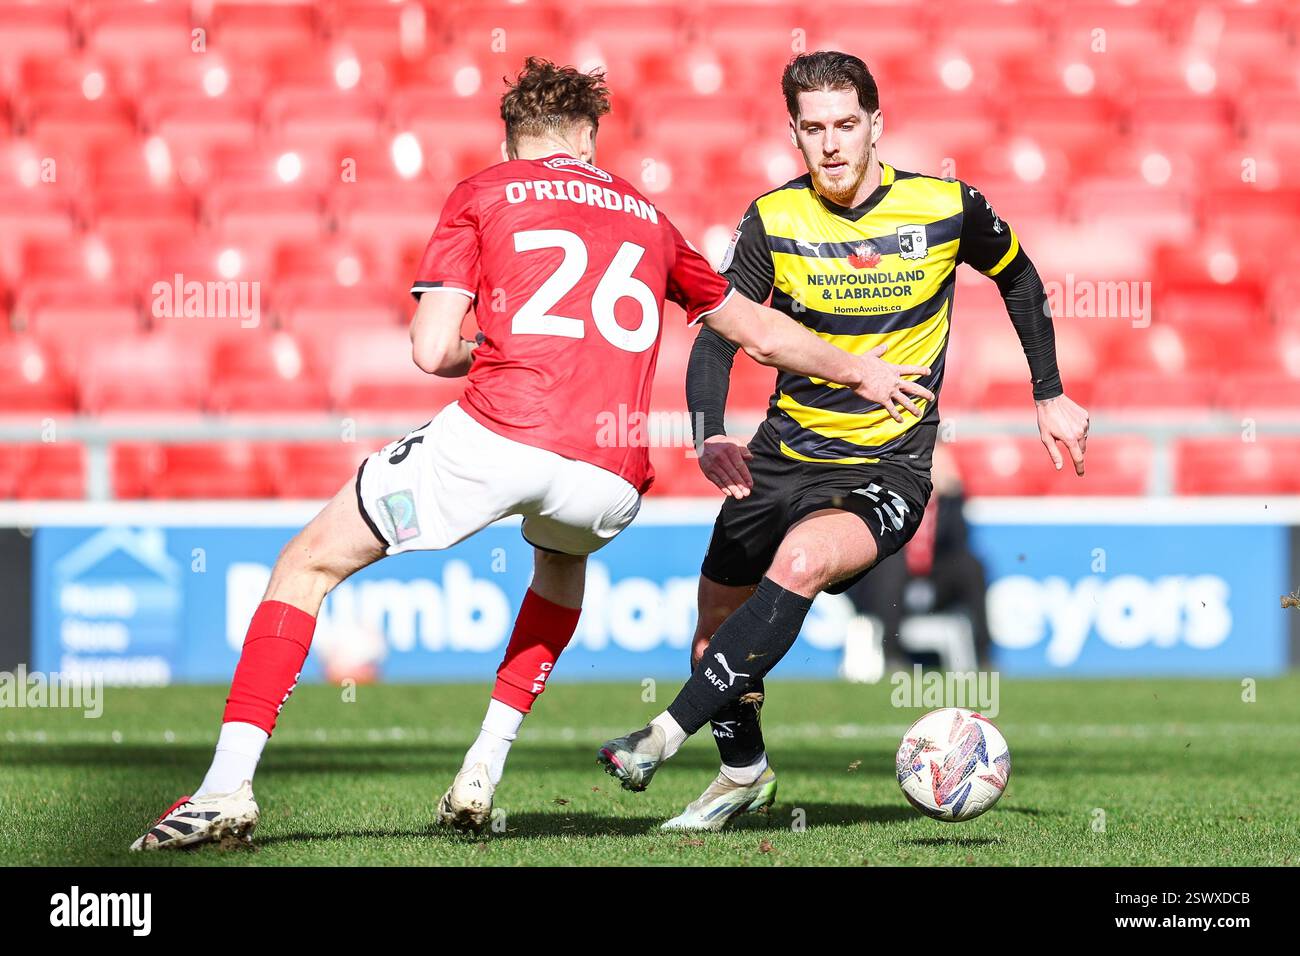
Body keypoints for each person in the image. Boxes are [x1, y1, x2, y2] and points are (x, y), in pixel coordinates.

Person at [130, 57, 933, 849]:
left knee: (304, 564)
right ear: (587, 141)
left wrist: (488, 351)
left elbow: (430, 349)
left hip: (500, 436)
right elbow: (757, 330)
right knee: (558, 562)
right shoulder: (647, 215)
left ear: (512, 143)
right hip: (609, 479)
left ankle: (223, 789)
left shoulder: (485, 190)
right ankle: (482, 769)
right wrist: (860, 369)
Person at [597, 51, 1090, 828]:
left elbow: (1019, 276)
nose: (831, 144)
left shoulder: (944, 206)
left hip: (888, 466)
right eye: (814, 128)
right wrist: (709, 431)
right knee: (712, 640)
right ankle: (742, 775)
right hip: (781, 456)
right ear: (794, 133)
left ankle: (658, 737)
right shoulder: (773, 220)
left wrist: (1049, 391)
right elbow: (721, 335)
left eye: (846, 125)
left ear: (875, 125)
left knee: (801, 562)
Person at [843, 444, 993, 672]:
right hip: (889, 580)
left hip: (935, 576)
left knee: (971, 567)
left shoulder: (948, 504)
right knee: (890, 566)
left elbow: (958, 542)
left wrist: (953, 493)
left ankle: (983, 654)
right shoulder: (887, 499)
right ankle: (892, 654)